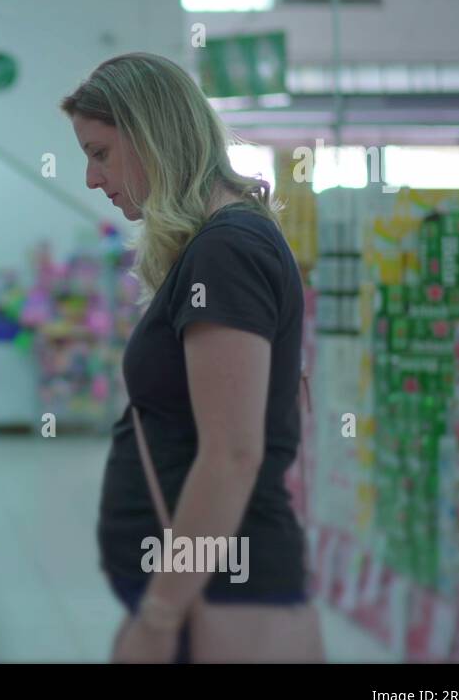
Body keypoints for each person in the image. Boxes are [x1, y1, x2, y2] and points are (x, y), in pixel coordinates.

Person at [60, 53, 315, 663]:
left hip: (219, 592)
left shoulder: (226, 250)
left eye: (100, 153)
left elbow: (232, 453)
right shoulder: (222, 243)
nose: (92, 180)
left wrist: (159, 616)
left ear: (153, 135)